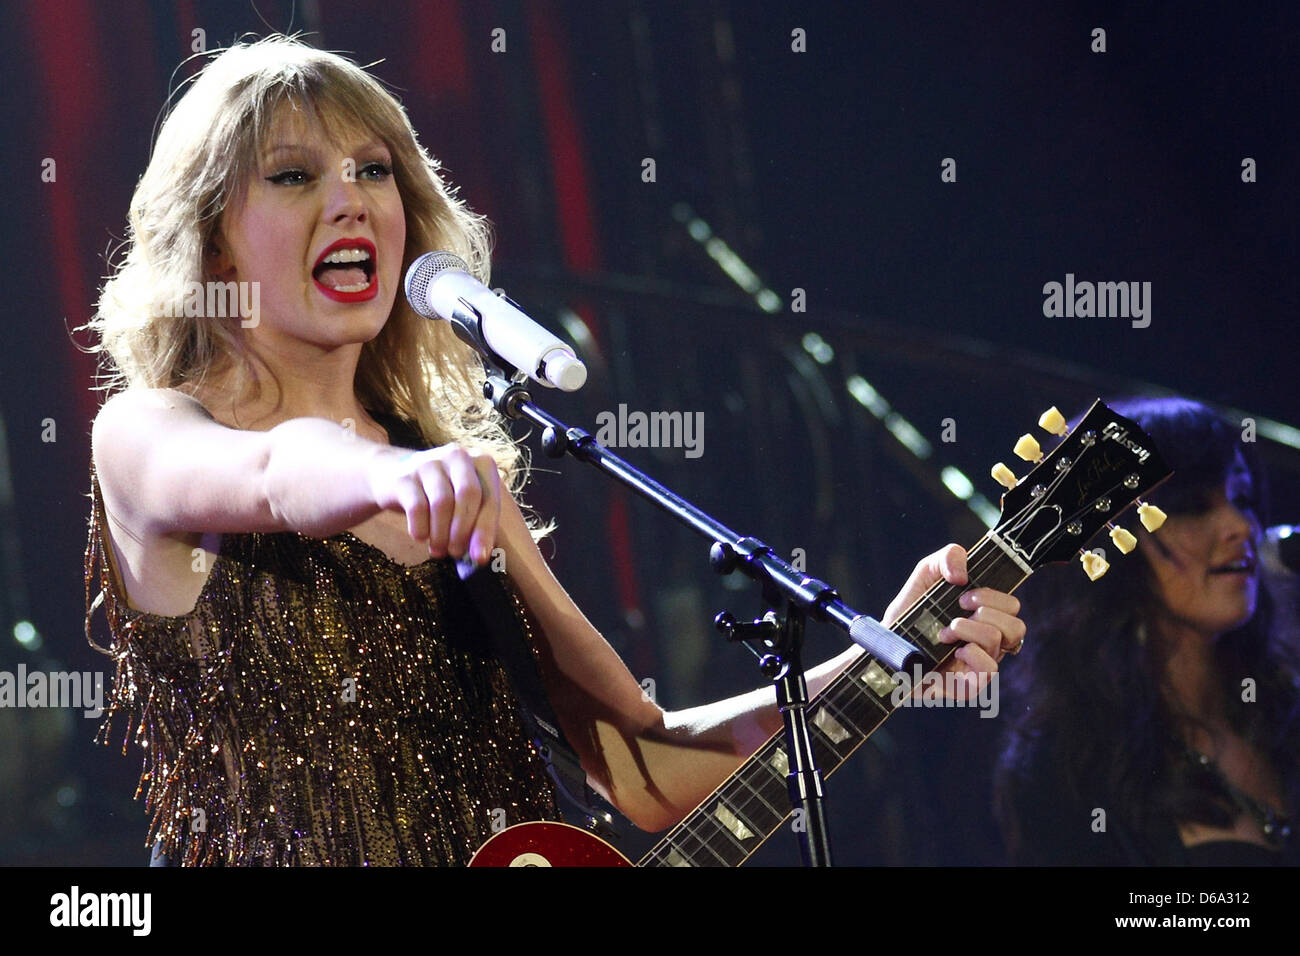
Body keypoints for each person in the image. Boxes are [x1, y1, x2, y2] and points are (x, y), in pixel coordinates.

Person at [83, 35, 1026, 866]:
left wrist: (883, 661)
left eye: (375, 171)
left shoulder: (456, 480)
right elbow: (273, 473)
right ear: (211, 244)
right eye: (294, 176)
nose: (352, 202)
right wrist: (388, 474)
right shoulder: (147, 434)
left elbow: (641, 763)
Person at [994, 397, 1300, 865]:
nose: (1241, 526)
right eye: (1194, 507)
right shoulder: (1064, 769)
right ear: (1113, 546)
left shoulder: (1282, 701)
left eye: (1241, 498)